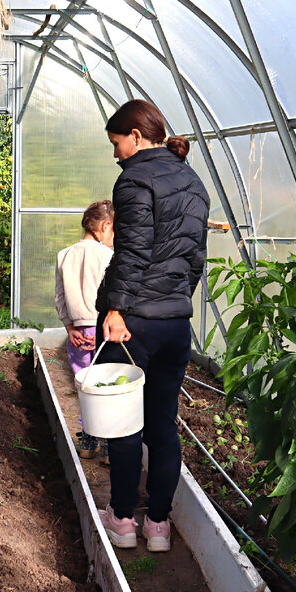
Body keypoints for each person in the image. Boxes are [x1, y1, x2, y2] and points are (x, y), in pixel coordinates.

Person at [94, 100, 209, 554]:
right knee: (163, 424)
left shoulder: (135, 179)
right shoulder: (193, 182)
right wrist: (177, 300)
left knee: (122, 422)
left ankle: (122, 519)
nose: (116, 153)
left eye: (117, 143)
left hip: (135, 322)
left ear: (137, 138)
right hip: (175, 324)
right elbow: (195, 258)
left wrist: (116, 309)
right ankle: (158, 523)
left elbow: (133, 251)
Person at [55, 200, 114, 460]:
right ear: (105, 226)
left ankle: (89, 442)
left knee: (85, 386)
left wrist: (70, 328)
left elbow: (60, 297)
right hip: (102, 329)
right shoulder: (106, 256)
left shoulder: (65, 254)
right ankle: (111, 444)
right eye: (115, 231)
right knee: (108, 386)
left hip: (77, 333)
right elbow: (111, 295)